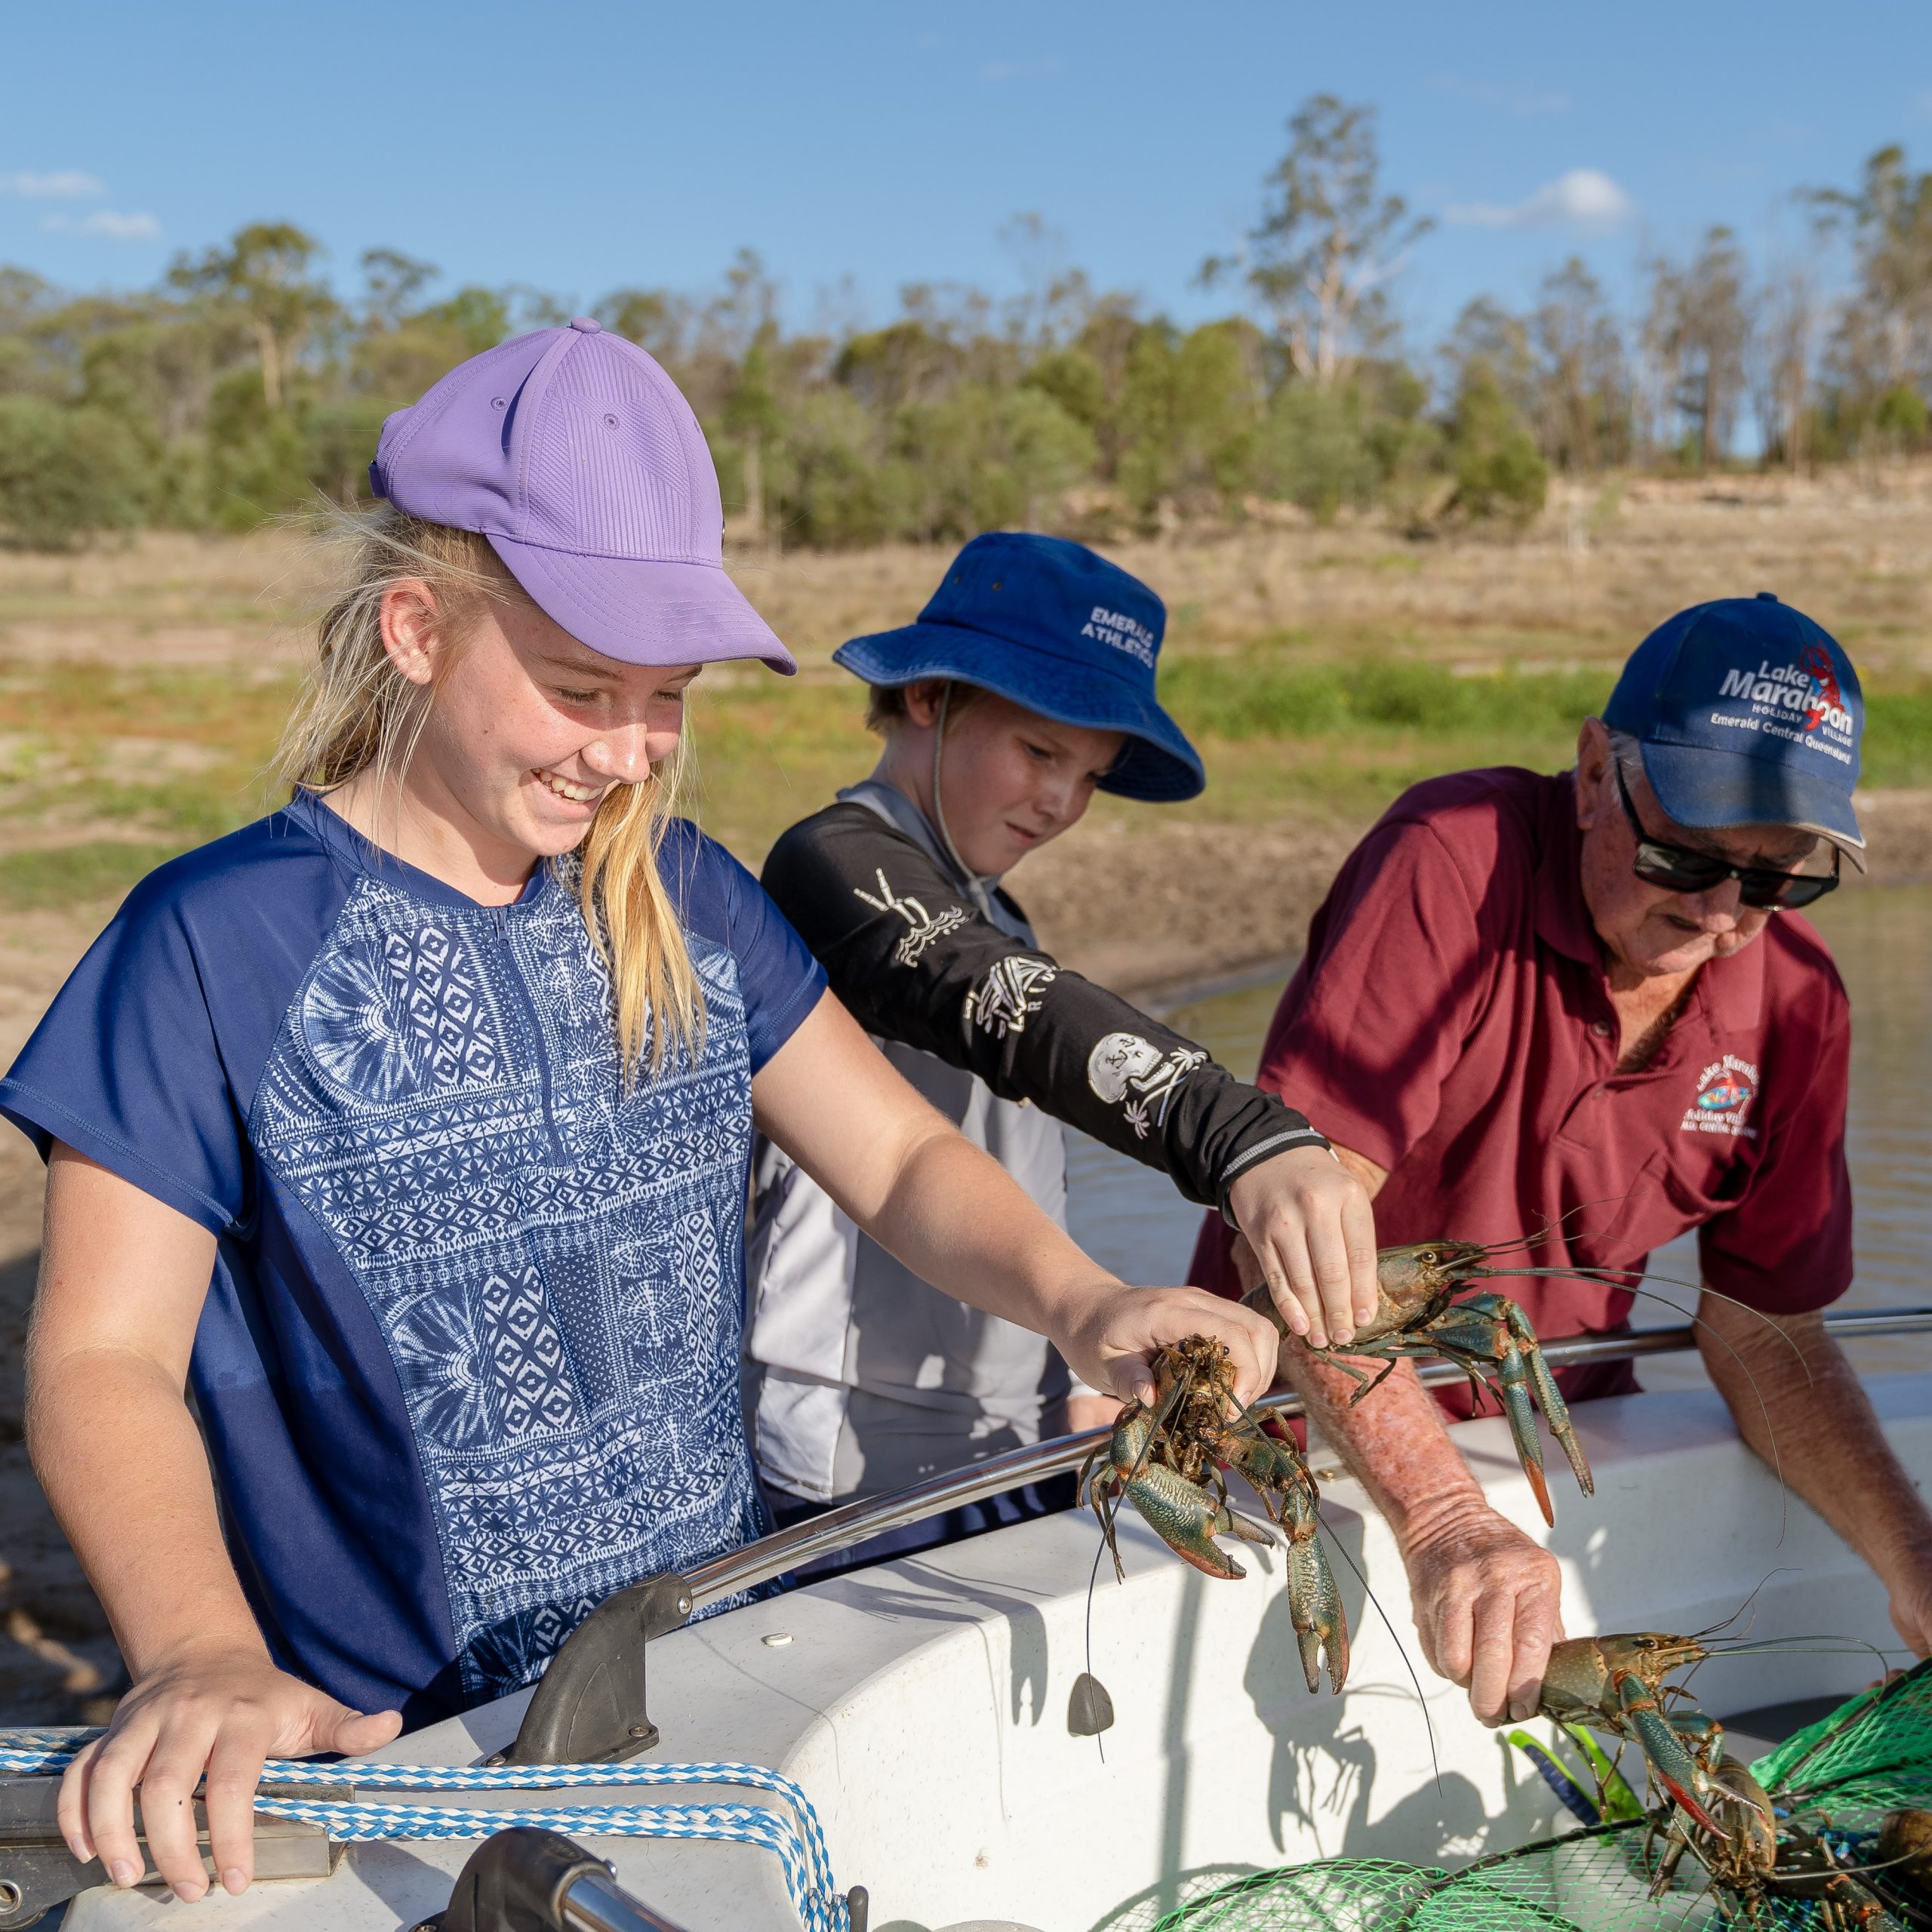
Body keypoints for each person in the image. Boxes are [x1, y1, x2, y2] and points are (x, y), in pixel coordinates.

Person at [3, 323, 1280, 1904]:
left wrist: (1088, 1299)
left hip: (702, 1669)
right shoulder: (204, 941)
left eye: (665, 695)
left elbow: (891, 1155)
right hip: (398, 1730)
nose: (626, 751)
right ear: (414, 626)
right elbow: (101, 1354)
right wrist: (197, 1646)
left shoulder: (684, 898)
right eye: (577, 686)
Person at [1189, 592, 1932, 1730]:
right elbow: (1292, 1222)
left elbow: (1764, 1327)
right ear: (1594, 772)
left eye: (1779, 874)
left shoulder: (1798, 1002)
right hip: (1300, 1451)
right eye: (1686, 853)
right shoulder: (1451, 863)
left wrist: (1913, 1561)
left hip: (1553, 1457)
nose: (1724, 914)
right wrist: (1443, 1520)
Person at [747, 532, 1377, 1555]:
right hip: (843, 1458)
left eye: (1090, 774)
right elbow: (1016, 1010)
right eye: (1040, 753)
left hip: (1012, 1425)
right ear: (926, 695)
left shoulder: (999, 914)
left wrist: (1069, 1381)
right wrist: (1246, 1138)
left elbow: (1020, 1163)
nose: (1061, 802)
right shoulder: (832, 871)